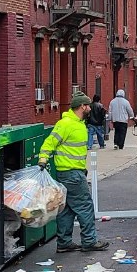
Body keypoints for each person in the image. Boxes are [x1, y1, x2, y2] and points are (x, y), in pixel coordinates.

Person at [39, 91, 110, 253]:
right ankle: (89, 241)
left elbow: (73, 150)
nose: (90, 109)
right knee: (85, 206)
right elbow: (49, 143)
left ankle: (64, 242)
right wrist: (43, 159)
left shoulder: (78, 123)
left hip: (71, 171)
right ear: (81, 107)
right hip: (71, 174)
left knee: (67, 209)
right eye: (88, 106)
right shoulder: (66, 124)